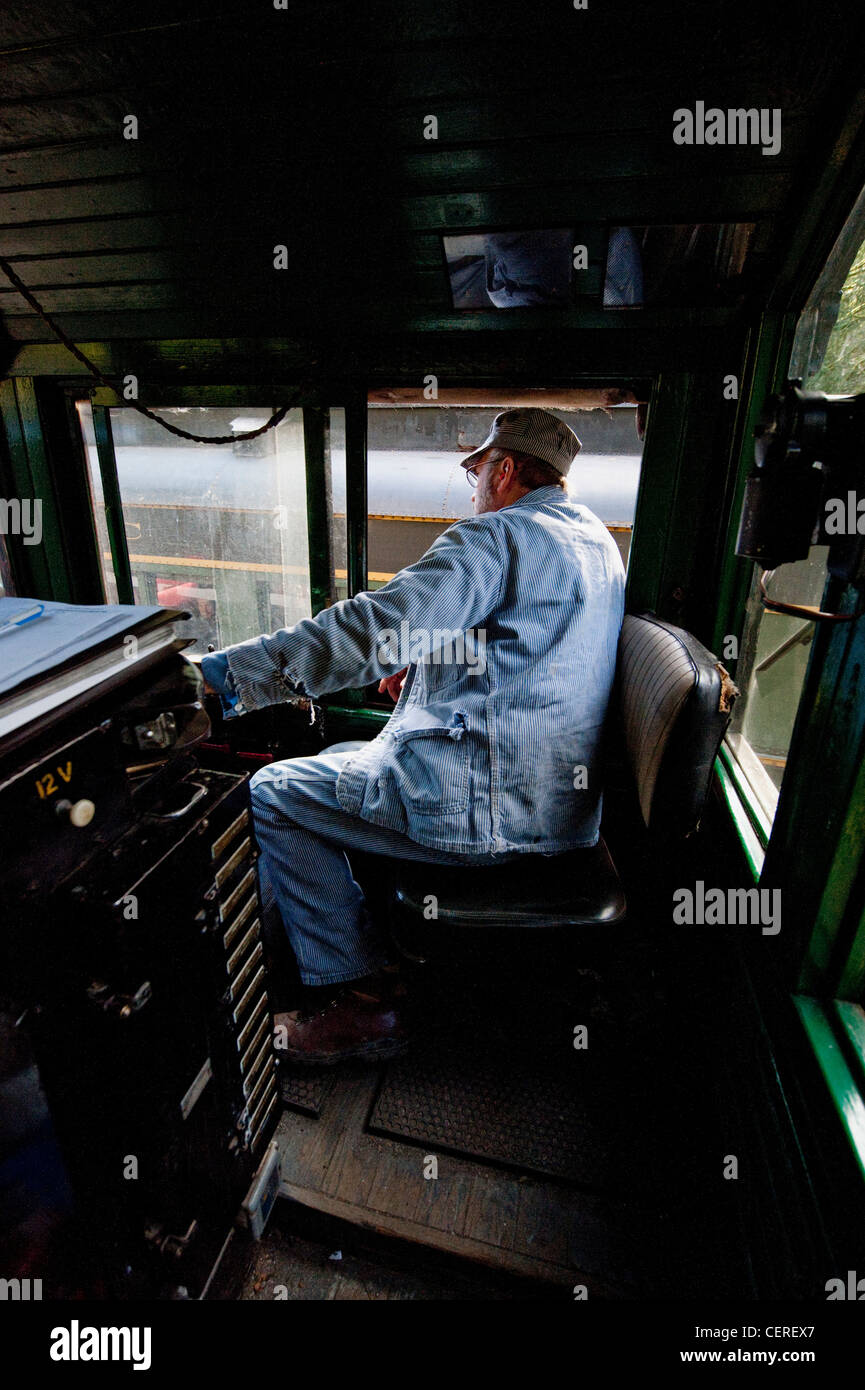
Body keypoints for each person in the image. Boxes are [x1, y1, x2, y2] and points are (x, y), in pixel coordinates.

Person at [201, 407, 625, 1064]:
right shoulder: (594, 541)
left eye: (474, 469)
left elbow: (373, 629)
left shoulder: (492, 538)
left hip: (487, 816)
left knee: (271, 790)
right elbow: (535, 652)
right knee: (341, 755)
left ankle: (361, 1001)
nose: (473, 484)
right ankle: (285, 945)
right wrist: (431, 663)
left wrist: (227, 680)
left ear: (503, 469)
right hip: (558, 810)